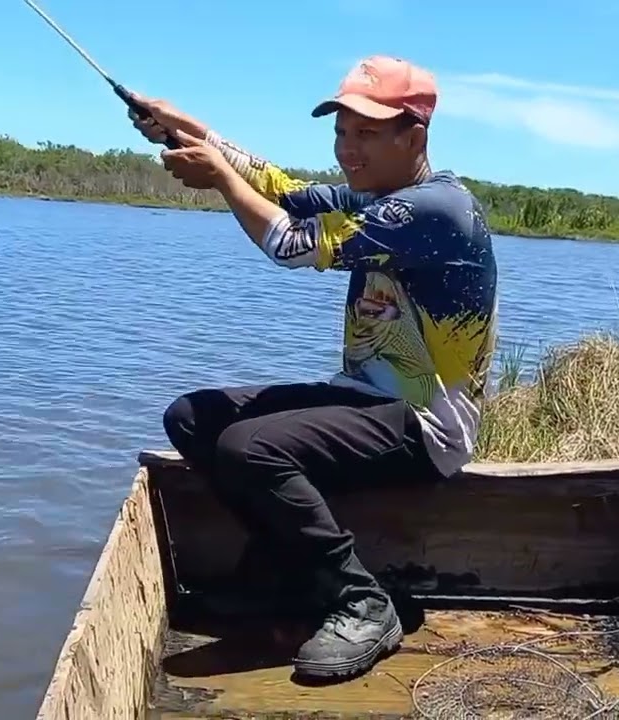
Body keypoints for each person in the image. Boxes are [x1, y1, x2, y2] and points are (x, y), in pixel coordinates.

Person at [129, 55, 499, 681]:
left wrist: (219, 178)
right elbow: (282, 190)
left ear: (414, 136)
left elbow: (291, 243)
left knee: (250, 449)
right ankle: (282, 568)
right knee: (192, 418)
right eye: (341, 131)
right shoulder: (380, 197)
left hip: (426, 424)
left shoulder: (434, 210)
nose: (347, 149)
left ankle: (361, 601)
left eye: (366, 133)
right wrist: (186, 127)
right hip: (365, 399)